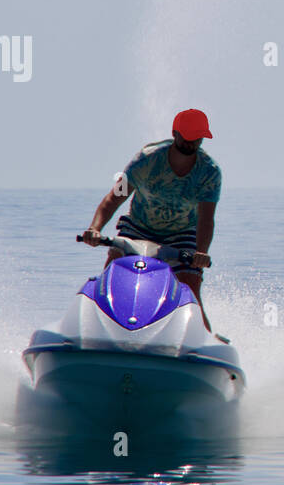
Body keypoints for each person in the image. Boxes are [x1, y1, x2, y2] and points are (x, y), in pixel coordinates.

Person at [81, 109, 222, 333]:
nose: (192, 142)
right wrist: (94, 229)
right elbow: (113, 198)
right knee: (113, 270)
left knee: (190, 286)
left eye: (198, 137)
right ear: (175, 133)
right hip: (138, 228)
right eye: (188, 135)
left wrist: (201, 252)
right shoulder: (146, 160)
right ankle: (95, 329)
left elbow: (207, 219)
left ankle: (204, 340)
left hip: (182, 234)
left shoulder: (210, 172)